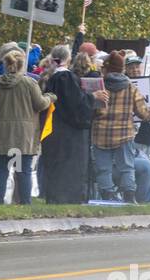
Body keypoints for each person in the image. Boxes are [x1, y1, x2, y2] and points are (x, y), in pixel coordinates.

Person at [0, 48, 54, 205]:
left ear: (6, 64)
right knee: (23, 170)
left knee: (1, 169)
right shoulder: (29, 83)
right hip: (23, 135)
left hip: (0, 134)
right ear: (23, 65)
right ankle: (25, 202)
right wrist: (50, 97)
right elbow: (40, 104)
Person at [39, 44, 108, 204]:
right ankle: (67, 198)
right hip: (68, 134)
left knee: (55, 166)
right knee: (68, 168)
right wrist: (93, 96)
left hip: (54, 129)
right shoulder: (65, 77)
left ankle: (54, 198)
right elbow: (75, 103)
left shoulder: (50, 76)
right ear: (68, 58)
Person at [91, 51, 150, 203]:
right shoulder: (130, 88)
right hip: (124, 134)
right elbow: (142, 112)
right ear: (122, 69)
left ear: (107, 69)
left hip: (101, 134)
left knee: (103, 168)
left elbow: (91, 110)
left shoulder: (98, 86)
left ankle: (107, 196)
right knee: (127, 167)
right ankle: (129, 197)